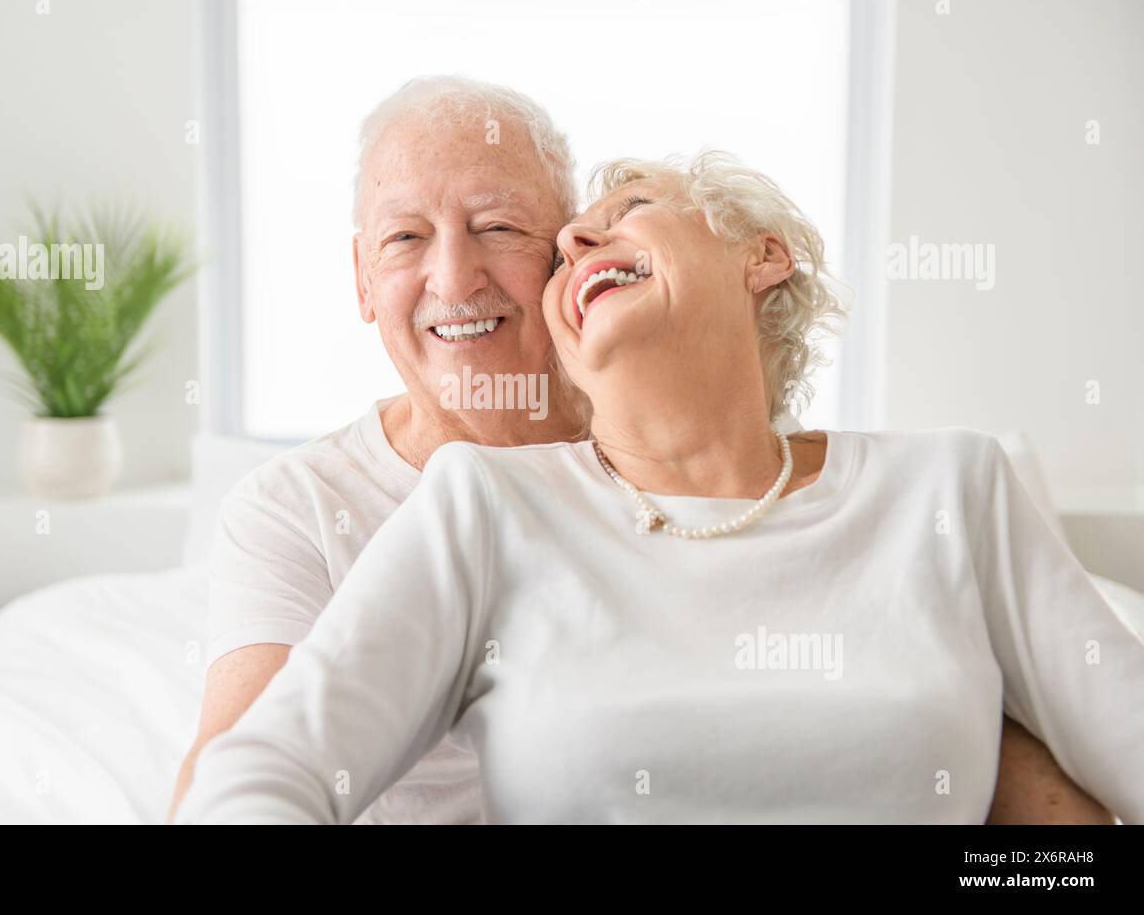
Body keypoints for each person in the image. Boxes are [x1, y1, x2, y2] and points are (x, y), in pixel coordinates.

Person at [169, 76, 1113, 824]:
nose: (456, 274)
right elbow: (248, 772)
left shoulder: (952, 484)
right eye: (406, 237)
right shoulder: (471, 506)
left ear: (761, 254)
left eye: (505, 229)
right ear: (362, 279)